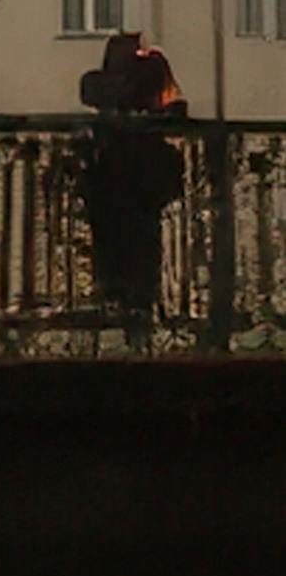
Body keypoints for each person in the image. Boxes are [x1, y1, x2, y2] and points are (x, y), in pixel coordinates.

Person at [82, 25, 189, 348]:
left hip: (118, 186)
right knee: (138, 260)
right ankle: (136, 319)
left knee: (122, 259)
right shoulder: (141, 83)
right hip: (137, 186)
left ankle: (126, 313)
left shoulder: (104, 98)